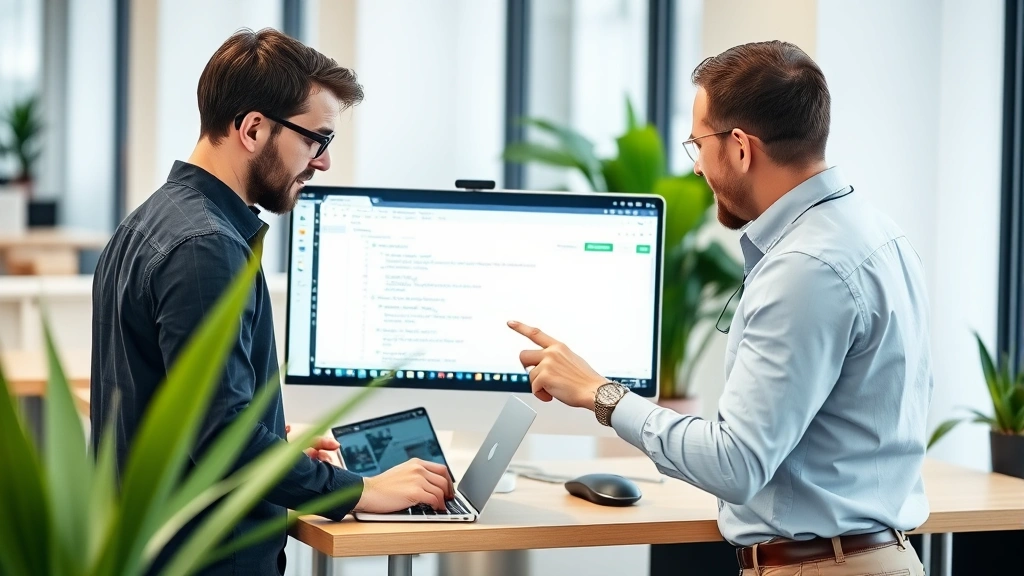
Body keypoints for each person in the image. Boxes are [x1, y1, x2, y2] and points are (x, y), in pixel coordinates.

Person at [508, 40, 930, 576]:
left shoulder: (806, 267)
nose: (696, 168)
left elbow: (736, 463)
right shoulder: (875, 234)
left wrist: (602, 394)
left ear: (739, 148)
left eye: (697, 145)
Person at [91, 28, 453, 576]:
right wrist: (361, 490)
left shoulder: (152, 222)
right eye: (317, 140)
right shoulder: (205, 248)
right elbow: (220, 442)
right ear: (254, 128)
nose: (323, 163)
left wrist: (270, 435)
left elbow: (187, 411)